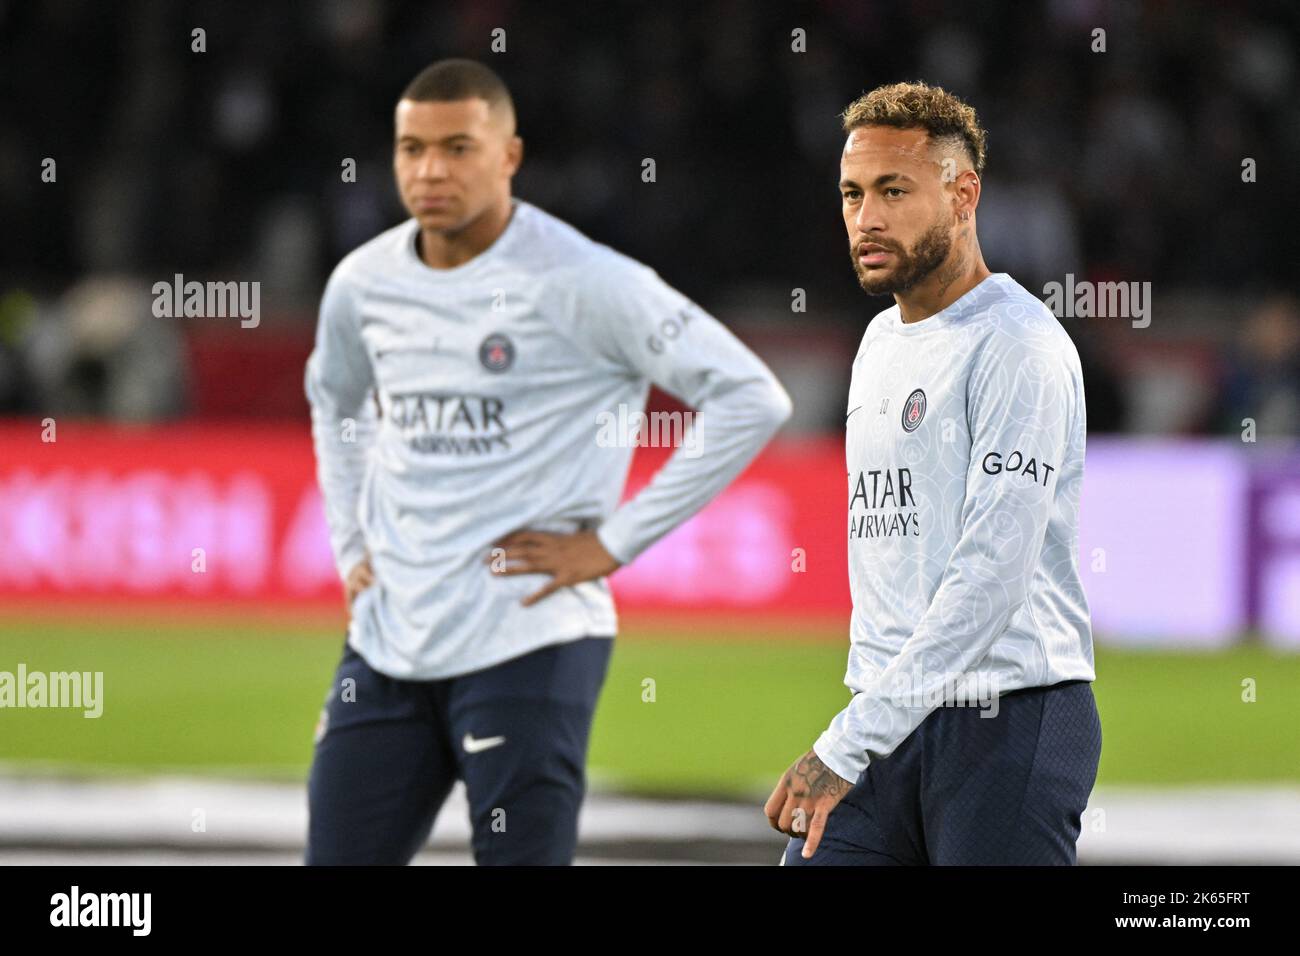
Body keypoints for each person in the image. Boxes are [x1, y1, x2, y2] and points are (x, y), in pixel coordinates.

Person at [304, 58, 792, 865]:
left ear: (510, 157)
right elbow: (335, 401)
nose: (430, 170)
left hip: (528, 637)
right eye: (411, 148)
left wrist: (615, 542)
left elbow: (750, 395)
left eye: (458, 147)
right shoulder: (362, 283)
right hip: (388, 639)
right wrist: (351, 545)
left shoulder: (584, 280)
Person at [765, 81, 1101, 865]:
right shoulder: (879, 343)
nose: (866, 217)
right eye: (852, 194)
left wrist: (847, 744)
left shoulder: (1018, 346)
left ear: (963, 195)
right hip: (886, 722)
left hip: (1007, 721)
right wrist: (870, 722)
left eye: (893, 190)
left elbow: (991, 578)